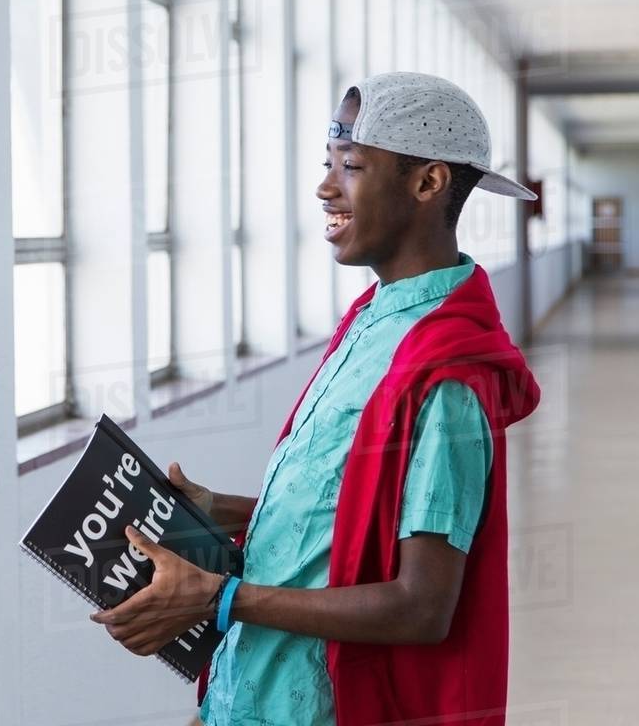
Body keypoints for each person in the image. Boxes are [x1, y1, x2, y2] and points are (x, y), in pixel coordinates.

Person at [91, 72, 542, 725]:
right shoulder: (372, 318)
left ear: (428, 183)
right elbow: (355, 512)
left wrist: (219, 599)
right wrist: (223, 510)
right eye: (328, 164)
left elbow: (421, 606)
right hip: (243, 694)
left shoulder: (445, 376)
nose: (326, 187)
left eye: (352, 166)